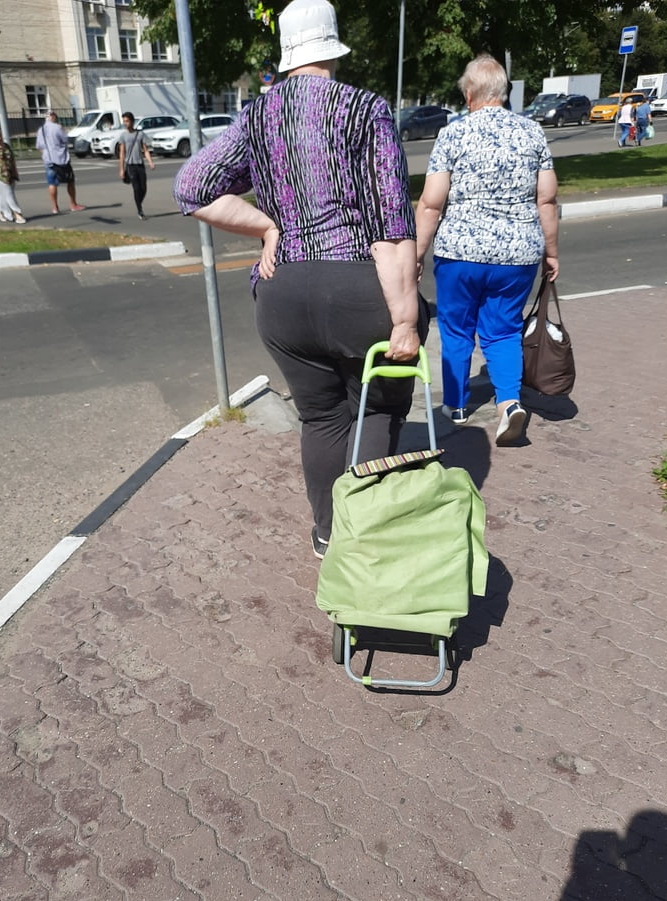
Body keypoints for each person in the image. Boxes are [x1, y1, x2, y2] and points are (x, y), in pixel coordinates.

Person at [174, 0, 424, 559]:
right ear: (333, 48)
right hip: (359, 287)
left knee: (321, 416)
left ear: (287, 53)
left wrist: (266, 226)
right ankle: (367, 534)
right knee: (378, 408)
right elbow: (390, 222)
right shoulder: (364, 109)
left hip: (282, 294)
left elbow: (191, 187)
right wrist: (405, 318)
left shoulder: (256, 116)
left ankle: (328, 533)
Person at [415, 54, 559, 447]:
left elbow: (431, 204)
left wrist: (416, 254)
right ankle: (509, 403)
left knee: (456, 328)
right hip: (517, 253)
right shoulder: (532, 133)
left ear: (468, 94)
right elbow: (546, 199)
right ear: (504, 92)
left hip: (460, 251)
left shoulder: (453, 134)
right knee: (503, 330)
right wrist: (551, 252)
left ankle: (456, 405)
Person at [35, 110, 85, 214]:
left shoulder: (41, 130)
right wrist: (62, 130)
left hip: (48, 160)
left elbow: (39, 146)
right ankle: (73, 204)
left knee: (52, 183)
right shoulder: (57, 128)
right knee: (70, 181)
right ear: (53, 117)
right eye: (55, 116)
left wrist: (45, 154)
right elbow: (65, 140)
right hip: (60, 159)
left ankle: (55, 207)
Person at [118, 112, 154, 220]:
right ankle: (140, 210)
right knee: (136, 188)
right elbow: (122, 153)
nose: (125, 123)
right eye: (124, 121)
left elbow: (145, 150)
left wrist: (150, 162)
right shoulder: (123, 136)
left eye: (127, 121)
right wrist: (121, 169)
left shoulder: (140, 134)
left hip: (140, 164)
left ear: (132, 121)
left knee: (143, 188)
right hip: (130, 165)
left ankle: (139, 202)